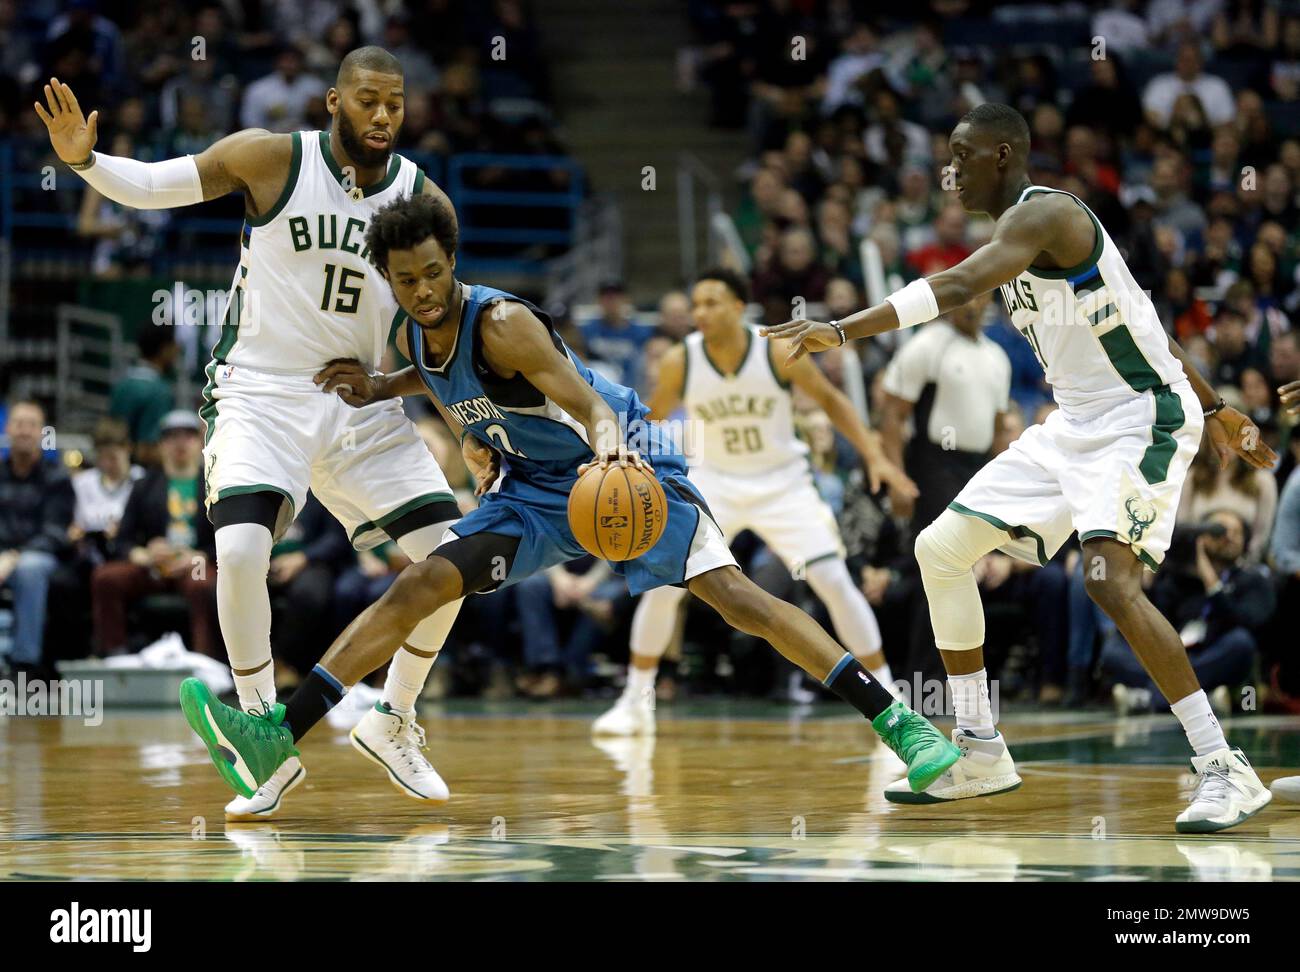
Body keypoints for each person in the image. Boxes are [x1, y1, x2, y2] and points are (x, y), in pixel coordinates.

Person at [178, 192, 962, 805]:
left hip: (620, 463)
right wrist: (382, 385)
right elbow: (439, 376)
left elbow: (583, 398)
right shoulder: (413, 330)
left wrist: (610, 442)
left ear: (453, 261)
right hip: (531, 495)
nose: (421, 290)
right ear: (389, 277)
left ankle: (903, 724)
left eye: (432, 273)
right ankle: (283, 731)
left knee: (739, 599)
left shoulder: (505, 323)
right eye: (406, 279)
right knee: (421, 580)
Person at [765, 103, 1276, 833]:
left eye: (962, 153)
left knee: (1106, 580)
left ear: (1003, 155)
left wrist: (843, 328)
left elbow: (956, 286)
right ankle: (980, 748)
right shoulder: (1021, 237)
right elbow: (1143, 323)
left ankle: (1223, 764)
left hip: (1140, 416)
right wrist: (1223, 405)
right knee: (939, 550)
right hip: (1073, 425)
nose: (950, 169)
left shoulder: (1048, 218)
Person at [36, 48, 464, 822]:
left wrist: (448, 409)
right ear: (333, 100)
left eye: (395, 105)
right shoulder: (271, 157)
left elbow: (444, 325)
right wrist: (87, 161)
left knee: (454, 558)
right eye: (368, 100)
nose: (382, 117)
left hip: (362, 400)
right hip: (262, 392)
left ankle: (395, 717)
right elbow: (161, 185)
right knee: (237, 551)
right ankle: (263, 734)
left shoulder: (423, 198)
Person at [593, 266, 917, 736]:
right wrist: (622, 454)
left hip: (782, 482)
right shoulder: (681, 360)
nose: (699, 312)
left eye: (711, 302)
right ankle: (635, 700)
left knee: (831, 578)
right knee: (664, 585)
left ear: (739, 307)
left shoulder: (777, 349)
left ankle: (887, 693)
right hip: (714, 482)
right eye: (696, 303)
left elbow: (831, 401)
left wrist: (876, 458)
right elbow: (654, 416)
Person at [1105, 510, 1274, 714]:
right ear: (1200, 537)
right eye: (1219, 531)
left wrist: (1211, 582)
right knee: (1114, 647)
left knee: (1241, 643)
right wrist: (1149, 581)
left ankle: (1150, 698)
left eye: (1236, 532)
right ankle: (1201, 699)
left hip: (1213, 653)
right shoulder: (1179, 578)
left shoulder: (1253, 579)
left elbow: (1247, 623)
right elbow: (1150, 621)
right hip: (1174, 655)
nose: (1228, 537)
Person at [91, 411, 218, 657]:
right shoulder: (145, 485)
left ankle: (208, 663)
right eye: (172, 437)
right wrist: (142, 553)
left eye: (188, 436)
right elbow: (122, 540)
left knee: (202, 582)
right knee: (106, 578)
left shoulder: (215, 484)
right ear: (161, 445)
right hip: (154, 567)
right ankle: (115, 657)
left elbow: (228, 538)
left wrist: (198, 555)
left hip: (196, 565)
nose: (180, 443)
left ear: (200, 442)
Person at [0, 400, 74, 679]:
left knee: (30, 568)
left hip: (41, 558)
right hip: (3, 557)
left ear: (43, 433)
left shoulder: (57, 479)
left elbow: (56, 533)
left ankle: (24, 665)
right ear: (7, 428)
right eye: (18, 424)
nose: (24, 431)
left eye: (31, 425)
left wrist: (14, 556)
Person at [108, 324, 177, 468]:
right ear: (164, 349)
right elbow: (146, 451)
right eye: (174, 346)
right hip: (144, 477)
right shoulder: (159, 391)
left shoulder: (122, 385)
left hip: (116, 470)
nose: (177, 351)